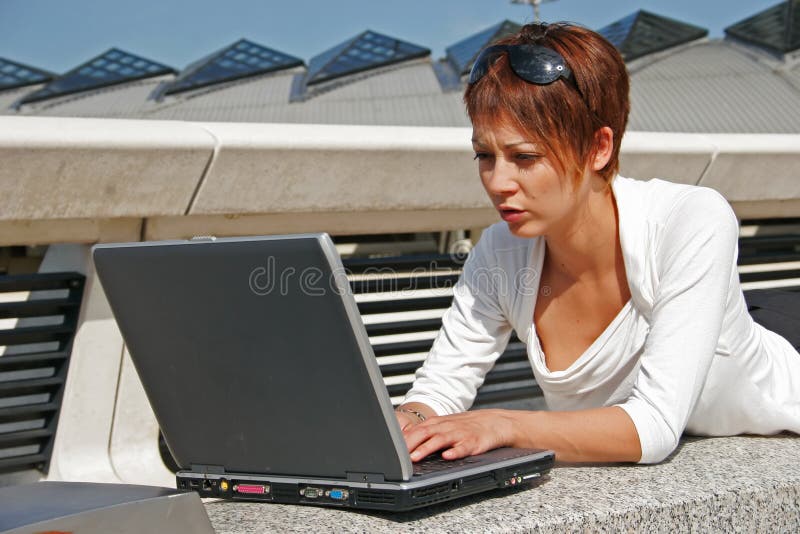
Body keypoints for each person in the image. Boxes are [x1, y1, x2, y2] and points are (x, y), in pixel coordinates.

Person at [394, 22, 800, 465]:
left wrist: (504, 424)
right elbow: (440, 388)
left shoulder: (691, 217)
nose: (498, 181)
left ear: (598, 147)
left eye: (525, 157)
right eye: (484, 155)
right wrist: (410, 419)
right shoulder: (499, 251)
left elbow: (655, 425)